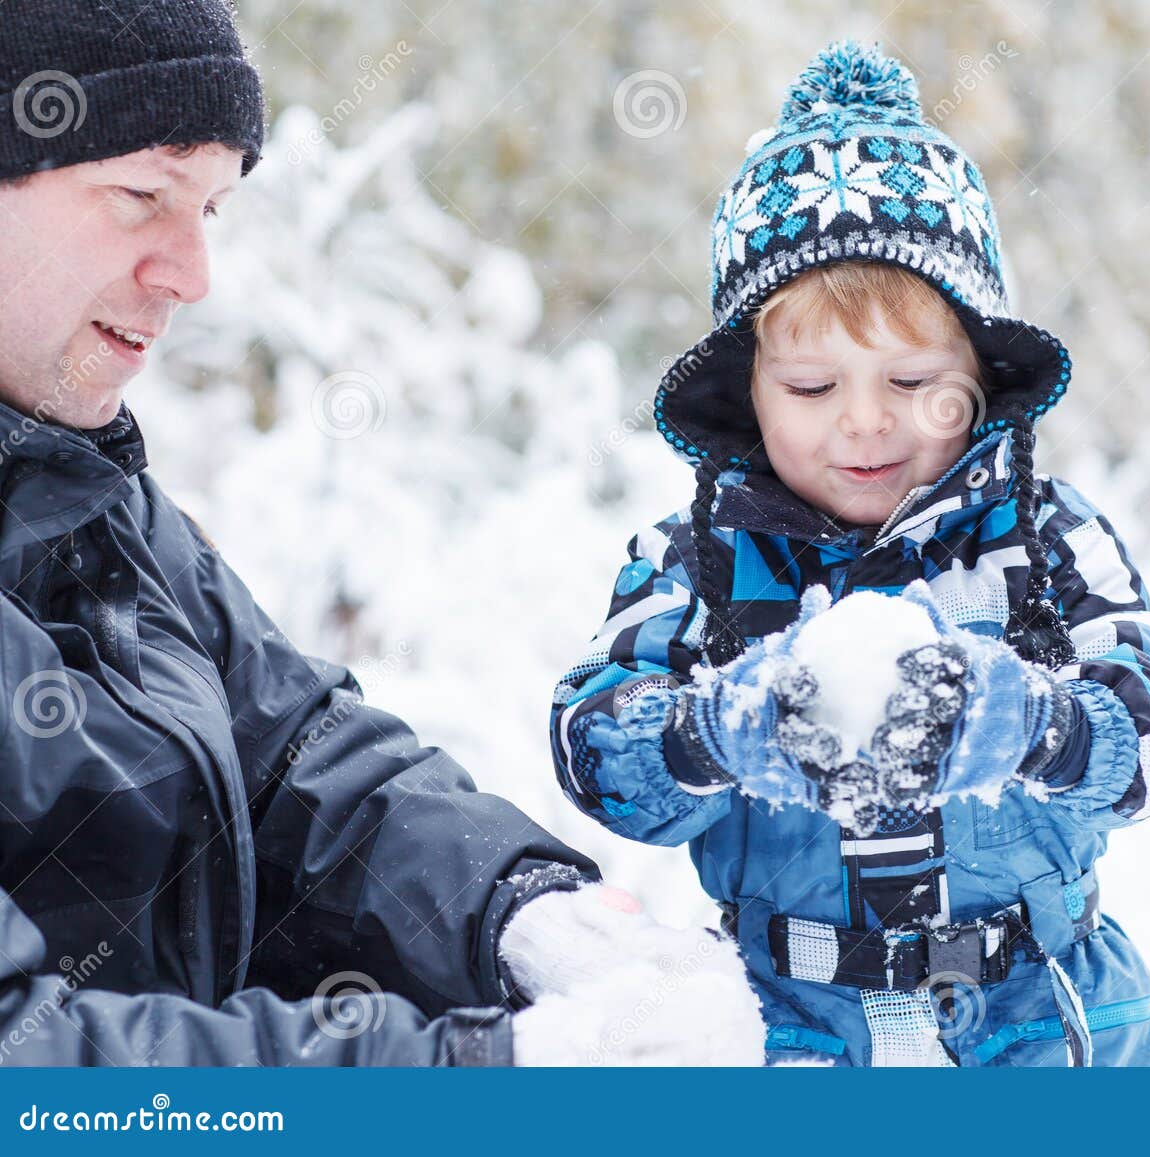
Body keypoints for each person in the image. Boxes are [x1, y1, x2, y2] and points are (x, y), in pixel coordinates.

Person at [0, 0, 760, 1067]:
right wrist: (480, 1072)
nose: (192, 273)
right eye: (141, 196)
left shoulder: (86, 498)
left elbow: (295, 750)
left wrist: (520, 916)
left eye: (210, 210)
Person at [550, 41, 1150, 1066]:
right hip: (790, 1026)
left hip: (1044, 1018)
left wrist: (1034, 722)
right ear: (747, 391)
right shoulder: (699, 563)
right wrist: (714, 729)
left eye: (910, 382)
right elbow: (594, 754)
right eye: (813, 388)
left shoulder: (1046, 539)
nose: (864, 425)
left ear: (979, 377)